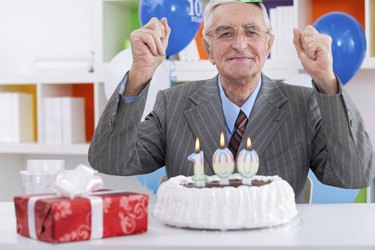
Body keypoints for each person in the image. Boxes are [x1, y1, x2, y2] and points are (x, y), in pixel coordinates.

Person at [88, 0, 375, 202]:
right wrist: (139, 75)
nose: (240, 43)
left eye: (252, 32)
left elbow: (355, 175)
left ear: (268, 44)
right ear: (208, 48)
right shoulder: (172, 104)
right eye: (225, 33)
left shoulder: (304, 104)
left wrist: (326, 79)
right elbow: (111, 161)